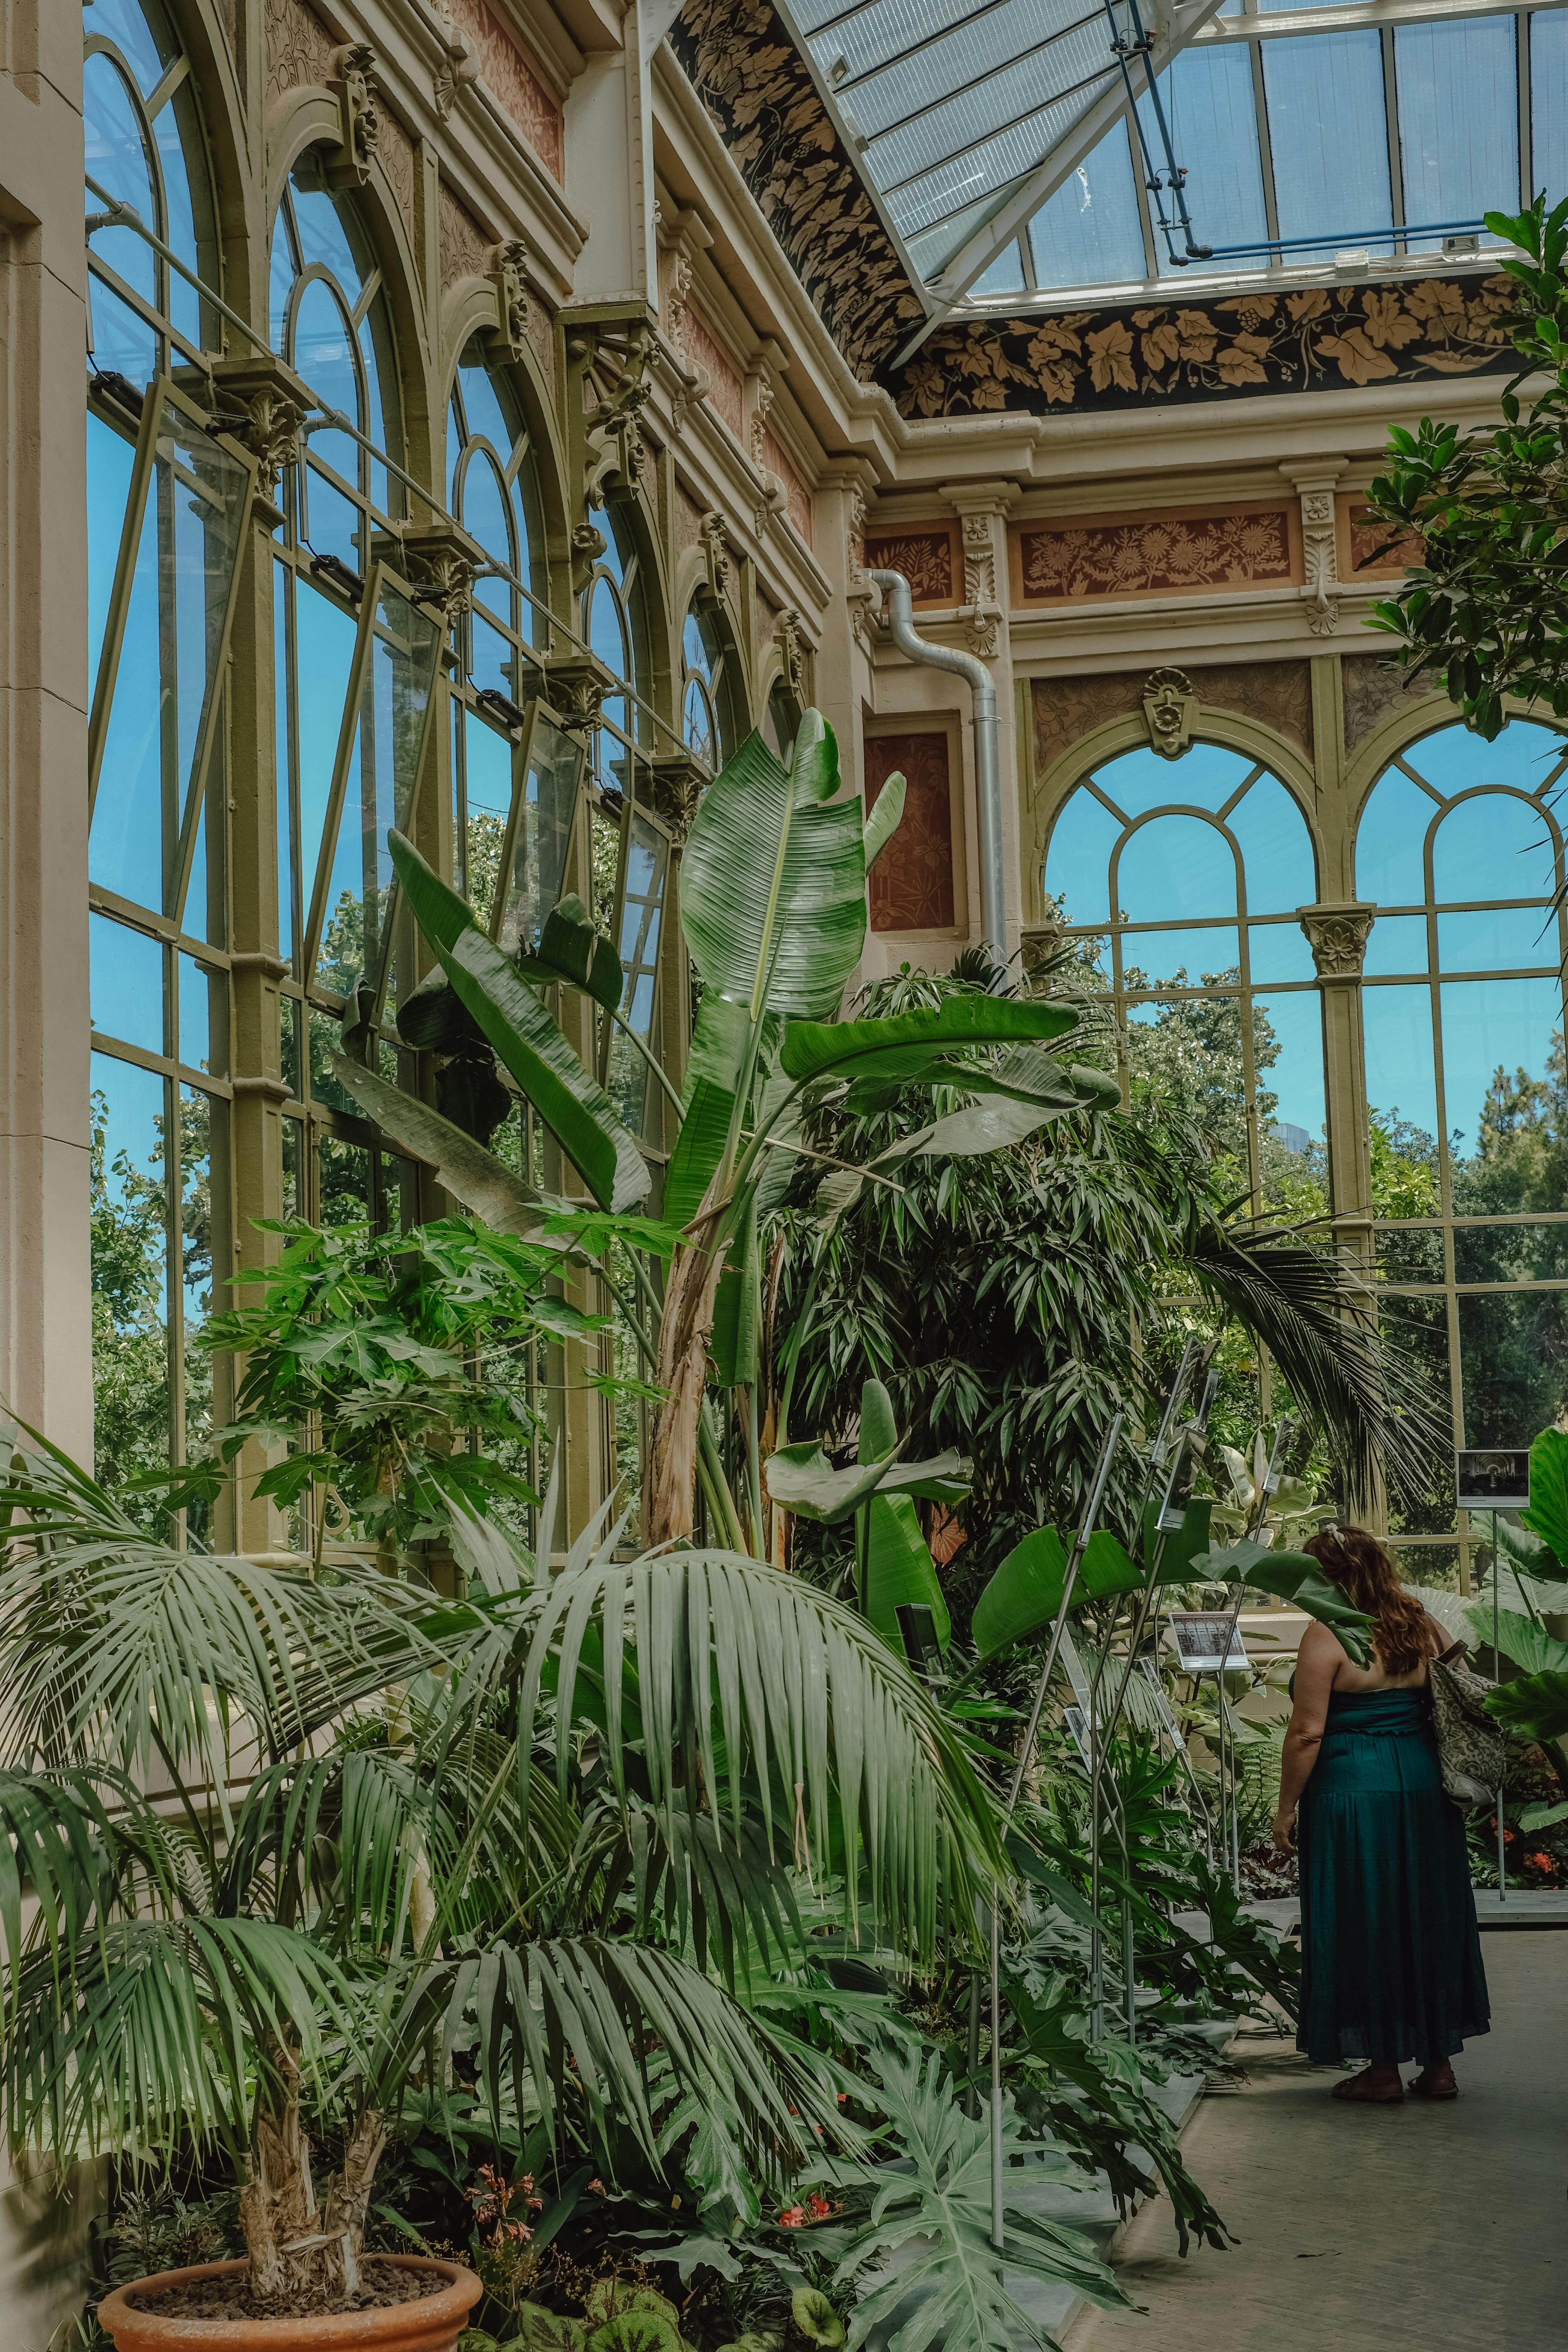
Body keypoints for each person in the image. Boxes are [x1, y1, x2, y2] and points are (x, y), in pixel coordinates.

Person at [1272, 1524, 1489, 2102]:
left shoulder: (1327, 1635)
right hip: (1422, 1786)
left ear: (1328, 1578)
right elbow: (1458, 1679)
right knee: (1427, 1916)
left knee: (1365, 1920)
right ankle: (1439, 2065)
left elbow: (1307, 1734)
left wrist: (1286, 1808)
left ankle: (1383, 2070)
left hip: (1352, 1795)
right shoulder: (1416, 1619)